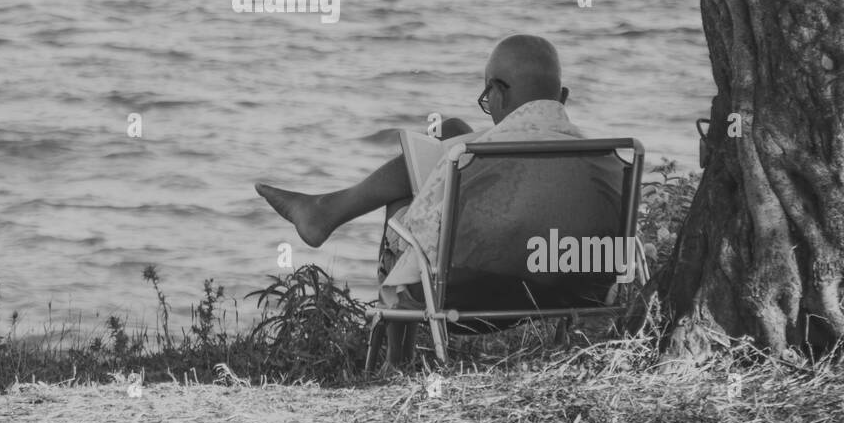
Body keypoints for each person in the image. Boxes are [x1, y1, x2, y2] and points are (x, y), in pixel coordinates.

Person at [256, 34, 610, 366]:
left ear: (498, 94)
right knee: (452, 128)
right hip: (572, 289)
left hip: (470, 298)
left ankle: (397, 360)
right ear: (561, 97)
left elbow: (420, 233)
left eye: (487, 100)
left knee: (405, 200)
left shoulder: (478, 158)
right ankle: (324, 212)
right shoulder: (605, 160)